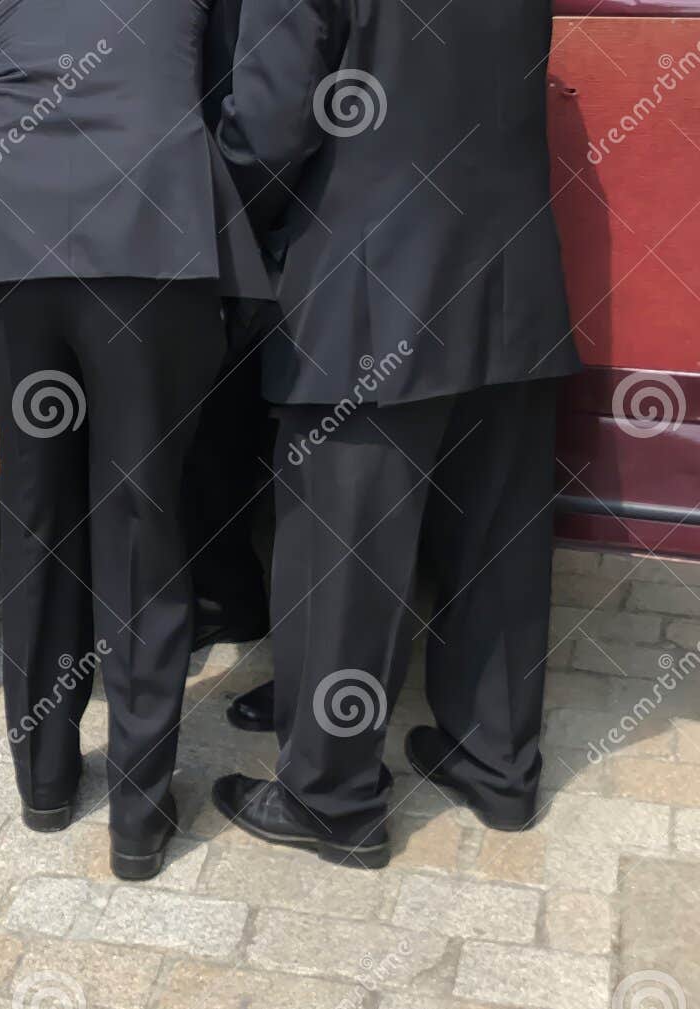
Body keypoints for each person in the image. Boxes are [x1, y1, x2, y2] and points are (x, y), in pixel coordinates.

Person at [211, 0, 581, 867]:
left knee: (342, 561)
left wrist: (232, 218)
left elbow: (267, 125)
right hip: (510, 279)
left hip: (369, 286)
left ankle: (332, 798)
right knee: (495, 543)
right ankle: (494, 761)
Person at [0, 0, 271, 881]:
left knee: (37, 509)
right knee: (140, 517)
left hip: (7, 227)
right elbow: (228, 81)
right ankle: (140, 814)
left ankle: (43, 783)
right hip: (150, 221)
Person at [184, 0, 277, 655]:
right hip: (234, 192)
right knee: (223, 419)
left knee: (215, 421)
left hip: (224, 191)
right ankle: (229, 590)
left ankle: (225, 593)